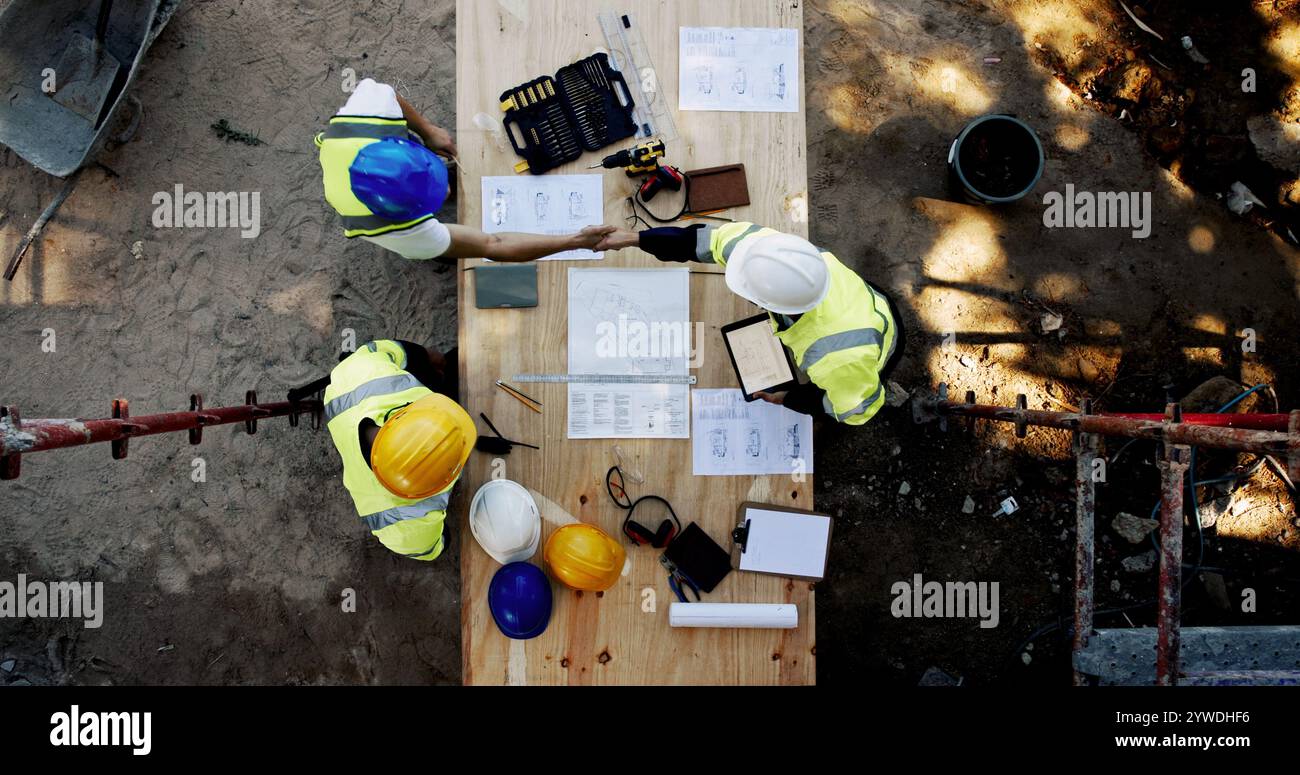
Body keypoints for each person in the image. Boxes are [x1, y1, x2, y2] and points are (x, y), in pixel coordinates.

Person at [597, 222, 902, 426]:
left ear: (771, 306)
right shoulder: (766, 251)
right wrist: (632, 239)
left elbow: (858, 409)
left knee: (845, 394)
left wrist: (790, 399)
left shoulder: (835, 359)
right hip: (862, 300)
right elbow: (699, 241)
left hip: (879, 343)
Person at [316, 78, 613, 261]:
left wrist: (428, 130)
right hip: (387, 220)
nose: (446, 190)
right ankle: (441, 252)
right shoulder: (391, 232)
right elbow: (492, 245)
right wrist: (576, 241)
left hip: (357, 161)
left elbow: (390, 94)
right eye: (435, 196)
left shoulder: (370, 114)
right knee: (444, 249)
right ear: (405, 214)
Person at [323, 339, 474, 561]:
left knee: (449, 363)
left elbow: (395, 350)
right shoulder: (403, 526)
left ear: (404, 415)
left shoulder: (359, 371)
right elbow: (436, 546)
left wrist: (427, 356)